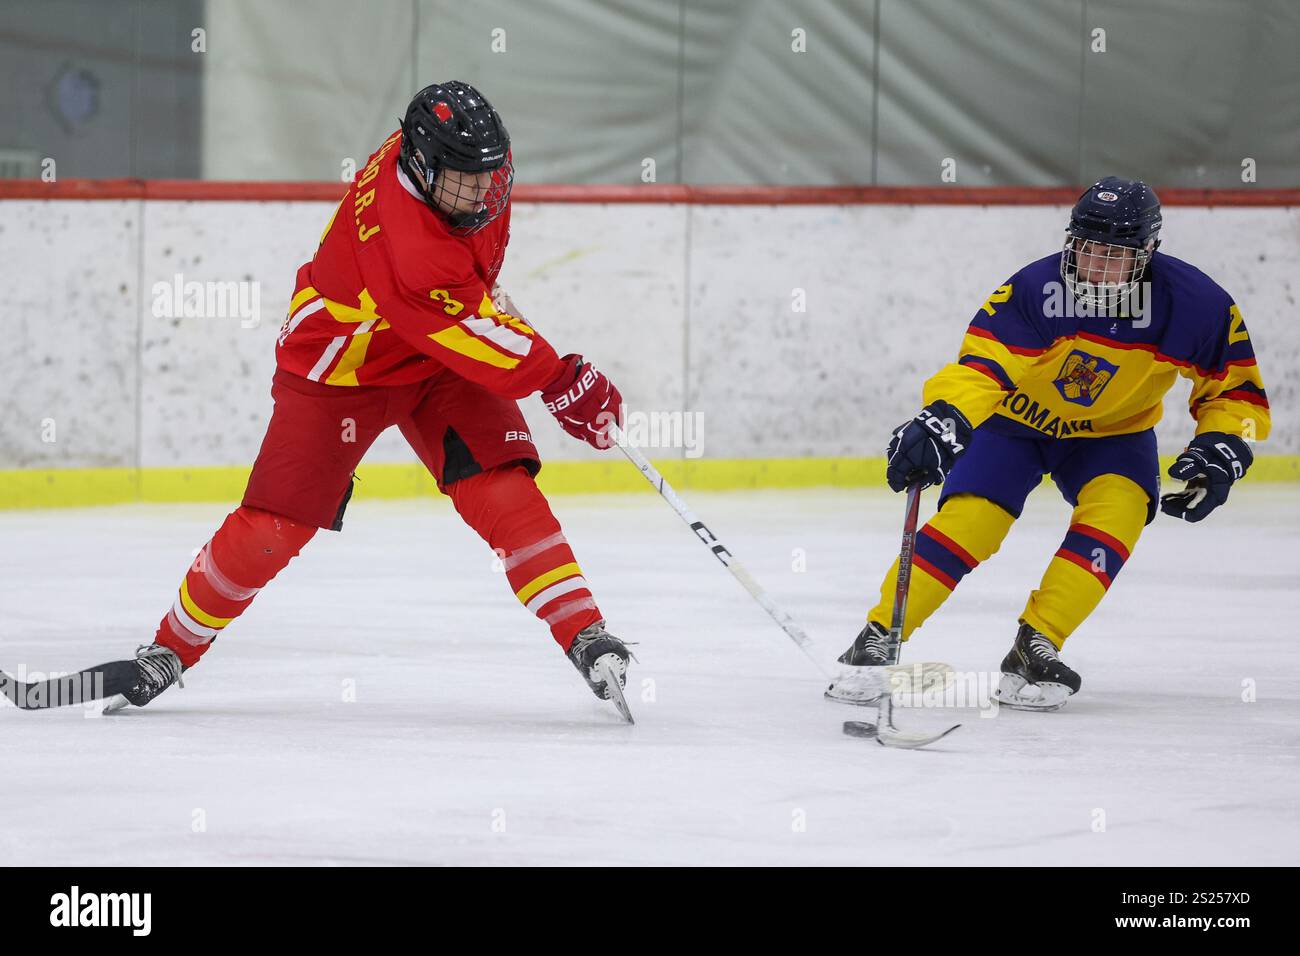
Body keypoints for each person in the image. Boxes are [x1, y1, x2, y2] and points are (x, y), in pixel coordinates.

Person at [113, 81, 633, 717]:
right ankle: (170, 649)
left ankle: (585, 633)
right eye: (465, 179)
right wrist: (559, 379)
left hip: (435, 352)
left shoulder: (450, 167)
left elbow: (462, 304)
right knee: (275, 526)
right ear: (423, 166)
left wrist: (498, 320)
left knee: (500, 483)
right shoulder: (407, 244)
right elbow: (461, 318)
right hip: (340, 368)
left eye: (489, 174)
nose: (483, 191)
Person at [833, 176, 1270, 710]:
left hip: (1113, 434)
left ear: (1148, 252)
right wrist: (944, 416)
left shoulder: (1197, 306)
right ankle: (879, 636)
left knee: (1120, 514)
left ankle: (1037, 644)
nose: (1096, 267)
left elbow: (1236, 392)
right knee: (972, 522)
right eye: (1087, 249)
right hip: (1013, 425)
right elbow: (982, 367)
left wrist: (1223, 445)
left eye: (1115, 256)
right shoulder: (1036, 289)